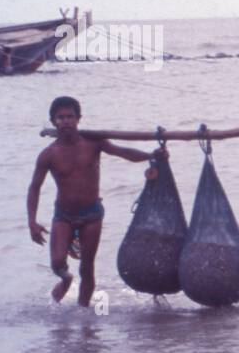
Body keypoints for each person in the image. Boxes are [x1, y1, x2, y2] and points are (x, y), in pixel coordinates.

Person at [27, 96, 164, 305]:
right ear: (54, 121)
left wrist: (151, 156)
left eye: (70, 117)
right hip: (63, 215)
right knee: (57, 263)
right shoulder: (48, 154)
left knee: (87, 267)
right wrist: (32, 222)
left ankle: (83, 314)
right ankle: (66, 279)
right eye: (61, 117)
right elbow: (34, 188)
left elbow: (124, 152)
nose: (66, 121)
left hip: (91, 214)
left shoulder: (93, 143)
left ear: (78, 119)